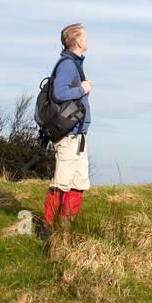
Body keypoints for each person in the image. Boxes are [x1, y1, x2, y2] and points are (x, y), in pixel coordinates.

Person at [42, 23, 92, 230]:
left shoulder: (74, 63)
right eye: (86, 37)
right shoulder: (67, 64)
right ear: (79, 41)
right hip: (68, 135)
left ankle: (66, 228)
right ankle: (46, 227)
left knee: (78, 182)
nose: (88, 40)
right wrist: (82, 88)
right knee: (61, 182)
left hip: (78, 135)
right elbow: (59, 93)